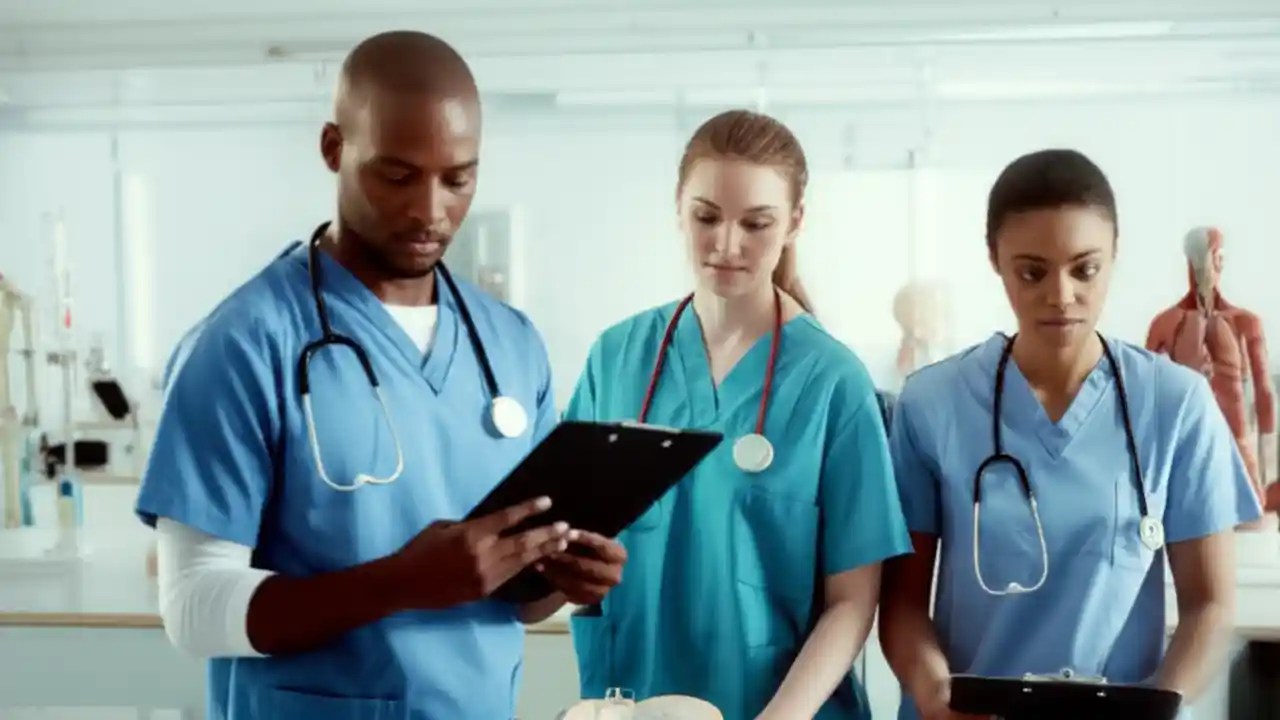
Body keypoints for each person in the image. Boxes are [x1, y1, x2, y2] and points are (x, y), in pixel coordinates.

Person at [133, 31, 626, 719]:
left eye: (458, 179)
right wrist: (400, 582)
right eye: (397, 176)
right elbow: (192, 609)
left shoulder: (510, 344)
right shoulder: (244, 343)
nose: (431, 210)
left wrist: (563, 580)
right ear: (334, 148)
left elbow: (516, 603)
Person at [878, 148, 1261, 720]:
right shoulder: (933, 404)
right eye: (1032, 272)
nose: (1061, 295)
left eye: (1085, 269)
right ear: (995, 260)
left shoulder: (1175, 404)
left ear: (1113, 257)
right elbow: (903, 604)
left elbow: (1209, 604)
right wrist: (936, 693)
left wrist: (1156, 707)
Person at [560, 109, 913, 719]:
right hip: (634, 704)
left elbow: (853, 600)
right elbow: (565, 544)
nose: (726, 245)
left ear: (795, 222)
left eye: (756, 223)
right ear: (678, 208)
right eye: (706, 217)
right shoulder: (616, 359)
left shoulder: (833, 382)